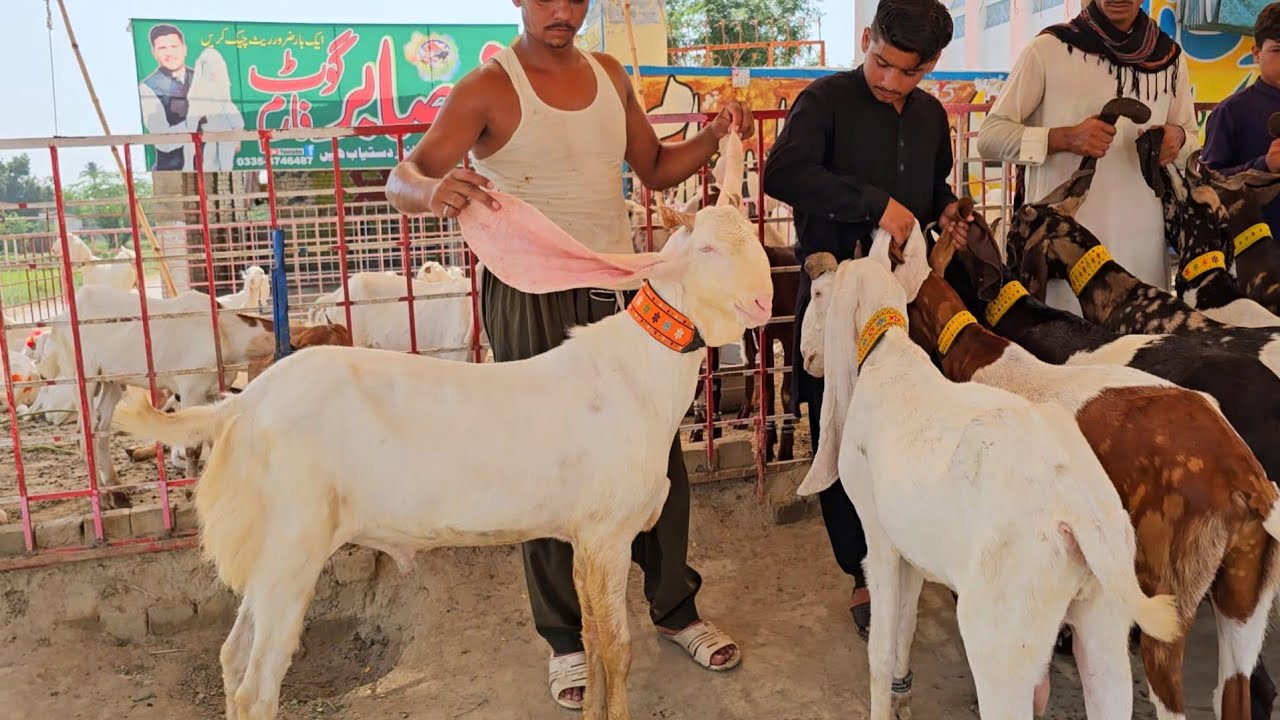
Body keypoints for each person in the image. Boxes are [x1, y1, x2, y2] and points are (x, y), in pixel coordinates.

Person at [385, 0, 747, 711]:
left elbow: (654, 168)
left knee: (654, 453)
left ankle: (675, 609)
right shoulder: (488, 87)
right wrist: (432, 190)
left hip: (619, 286)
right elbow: (404, 177)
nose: (561, 10)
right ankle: (566, 640)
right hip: (528, 289)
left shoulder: (610, 75)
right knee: (547, 466)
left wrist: (712, 136)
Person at [762, 0, 970, 641]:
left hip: (907, 300)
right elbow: (782, 173)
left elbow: (933, 189)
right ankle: (861, 571)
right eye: (882, 62)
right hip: (838, 297)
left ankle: (917, 546)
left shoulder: (931, 116)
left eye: (910, 72)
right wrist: (875, 204)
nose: (890, 81)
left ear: (932, 65)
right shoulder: (824, 101)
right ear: (865, 38)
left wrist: (946, 210)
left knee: (914, 423)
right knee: (842, 423)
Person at [976, 0, 1199, 314]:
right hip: (1063, 254)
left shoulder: (1169, 59)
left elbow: (1190, 138)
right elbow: (989, 137)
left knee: (1144, 343)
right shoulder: (1048, 49)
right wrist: (1063, 138)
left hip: (1143, 255)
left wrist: (1178, 139)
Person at [1202, 1, 1280, 236]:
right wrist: (1264, 166)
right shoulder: (1230, 112)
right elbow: (1209, 186)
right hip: (1255, 247)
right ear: (1256, 53)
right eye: (1278, 50)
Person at [138, 24, 198, 171]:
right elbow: (163, 142)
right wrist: (195, 120)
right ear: (154, 53)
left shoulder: (202, 78)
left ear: (184, 49)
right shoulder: (148, 87)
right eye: (162, 48)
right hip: (172, 172)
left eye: (174, 46)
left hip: (212, 164)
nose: (169, 53)